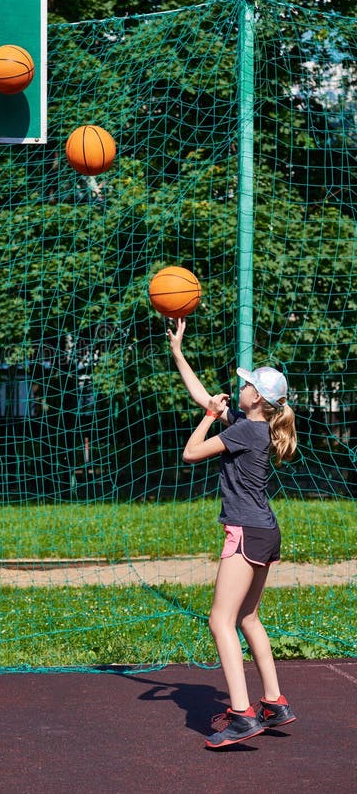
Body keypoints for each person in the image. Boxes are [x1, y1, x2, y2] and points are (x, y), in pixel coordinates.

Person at [167, 317, 298, 749]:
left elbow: (190, 454)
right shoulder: (254, 426)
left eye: (244, 384)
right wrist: (178, 352)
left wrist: (207, 418)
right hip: (265, 530)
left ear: (255, 397)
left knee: (219, 620)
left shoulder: (244, 429)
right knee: (248, 617)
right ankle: (274, 702)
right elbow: (203, 394)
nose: (237, 386)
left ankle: (242, 715)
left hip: (244, 531)